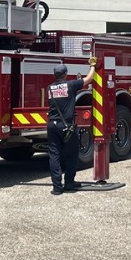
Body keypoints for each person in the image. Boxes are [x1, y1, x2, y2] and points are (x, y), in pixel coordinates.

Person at [46, 58, 97, 195]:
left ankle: (57, 187)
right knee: (72, 154)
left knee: (54, 155)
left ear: (55, 75)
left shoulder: (49, 88)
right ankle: (69, 183)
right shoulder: (71, 85)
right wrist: (92, 65)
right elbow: (89, 79)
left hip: (52, 125)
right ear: (65, 74)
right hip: (67, 126)